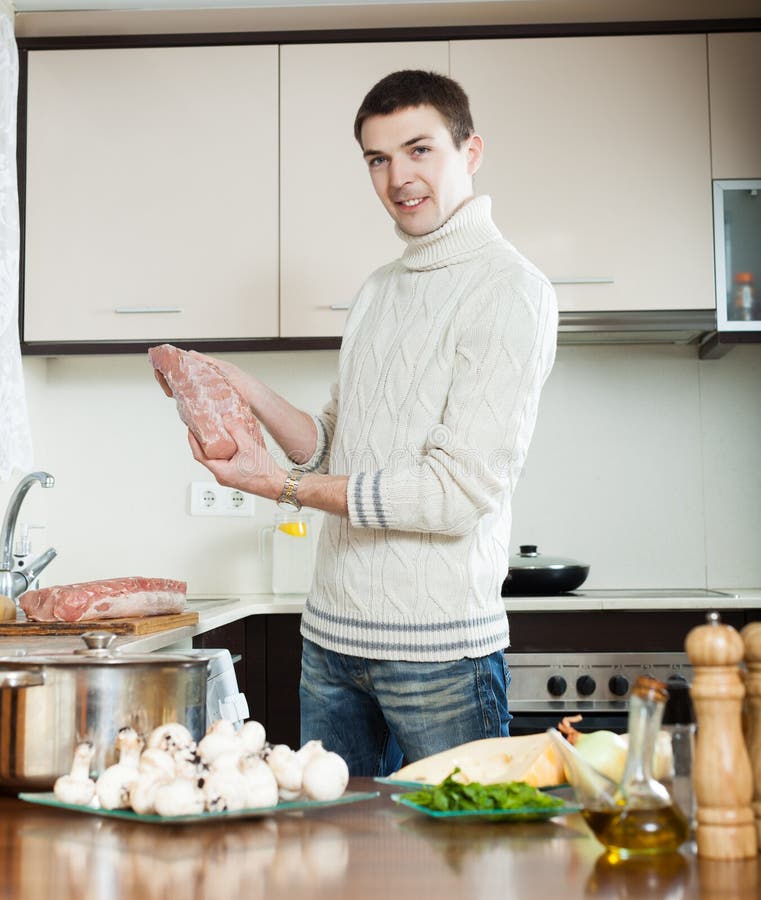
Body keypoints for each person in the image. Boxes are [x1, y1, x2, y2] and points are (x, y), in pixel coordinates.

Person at [184, 70, 558, 777]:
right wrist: (250, 391)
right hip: (329, 642)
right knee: (335, 869)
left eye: (419, 150)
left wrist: (283, 487)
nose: (398, 177)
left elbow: (453, 496)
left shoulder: (511, 291)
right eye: (377, 159)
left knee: (458, 871)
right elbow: (335, 442)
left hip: (439, 656)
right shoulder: (379, 289)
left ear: (469, 151)